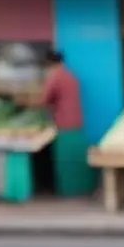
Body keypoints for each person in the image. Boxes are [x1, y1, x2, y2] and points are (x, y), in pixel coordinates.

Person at [39, 50, 93, 197]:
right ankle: (82, 187)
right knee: (77, 157)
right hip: (76, 122)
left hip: (63, 123)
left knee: (65, 160)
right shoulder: (71, 76)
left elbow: (43, 100)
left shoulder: (55, 77)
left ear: (50, 63)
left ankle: (68, 190)